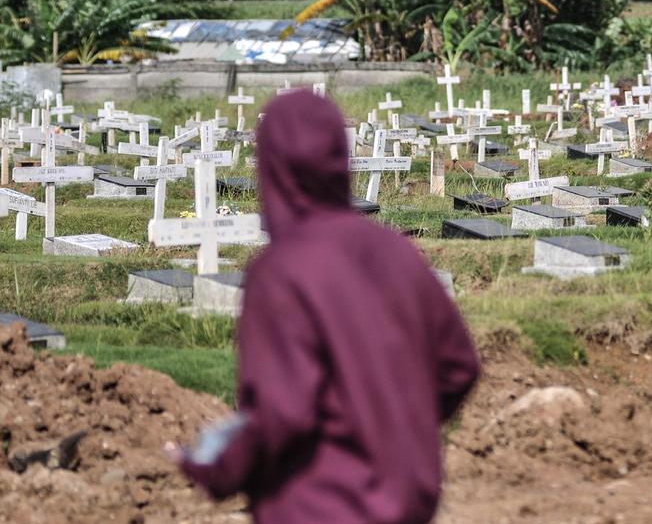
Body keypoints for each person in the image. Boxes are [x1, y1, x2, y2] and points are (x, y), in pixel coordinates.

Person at [175, 91, 480, 524]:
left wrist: (218, 467)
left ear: (271, 167)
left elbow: (284, 409)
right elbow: (458, 366)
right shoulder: (395, 251)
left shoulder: (281, 270)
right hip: (406, 501)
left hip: (319, 504)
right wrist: (396, 425)